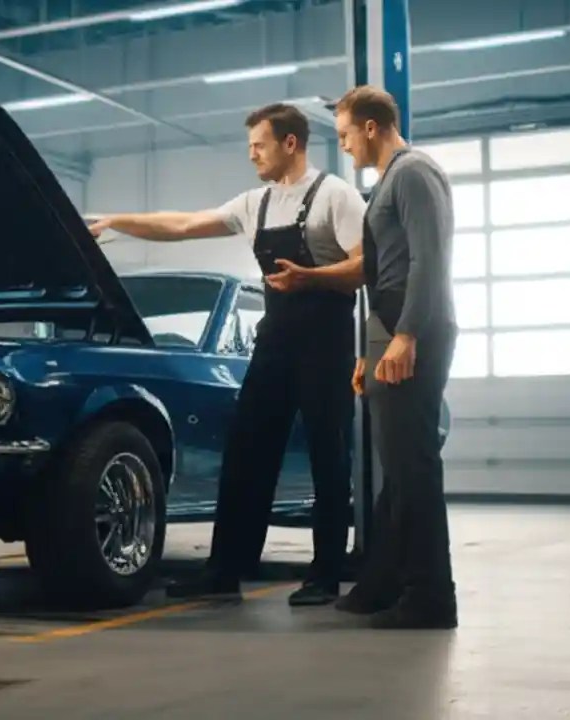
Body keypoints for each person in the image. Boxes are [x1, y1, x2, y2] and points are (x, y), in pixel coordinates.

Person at [88, 103, 368, 606]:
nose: (252, 155)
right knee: (246, 453)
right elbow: (184, 224)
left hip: (326, 340)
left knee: (330, 454)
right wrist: (118, 221)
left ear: (290, 143)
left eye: (259, 145)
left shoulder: (335, 196)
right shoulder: (255, 203)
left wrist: (310, 277)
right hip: (276, 339)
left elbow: (366, 265)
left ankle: (325, 573)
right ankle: (224, 571)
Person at [322, 85, 459, 629]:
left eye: (345, 135)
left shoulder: (413, 173)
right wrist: (368, 349)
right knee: (395, 470)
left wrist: (405, 336)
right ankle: (381, 584)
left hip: (415, 328)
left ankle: (432, 598)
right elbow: (383, 273)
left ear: (371, 127)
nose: (346, 146)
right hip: (391, 329)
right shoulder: (388, 183)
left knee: (413, 467)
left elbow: (429, 261)